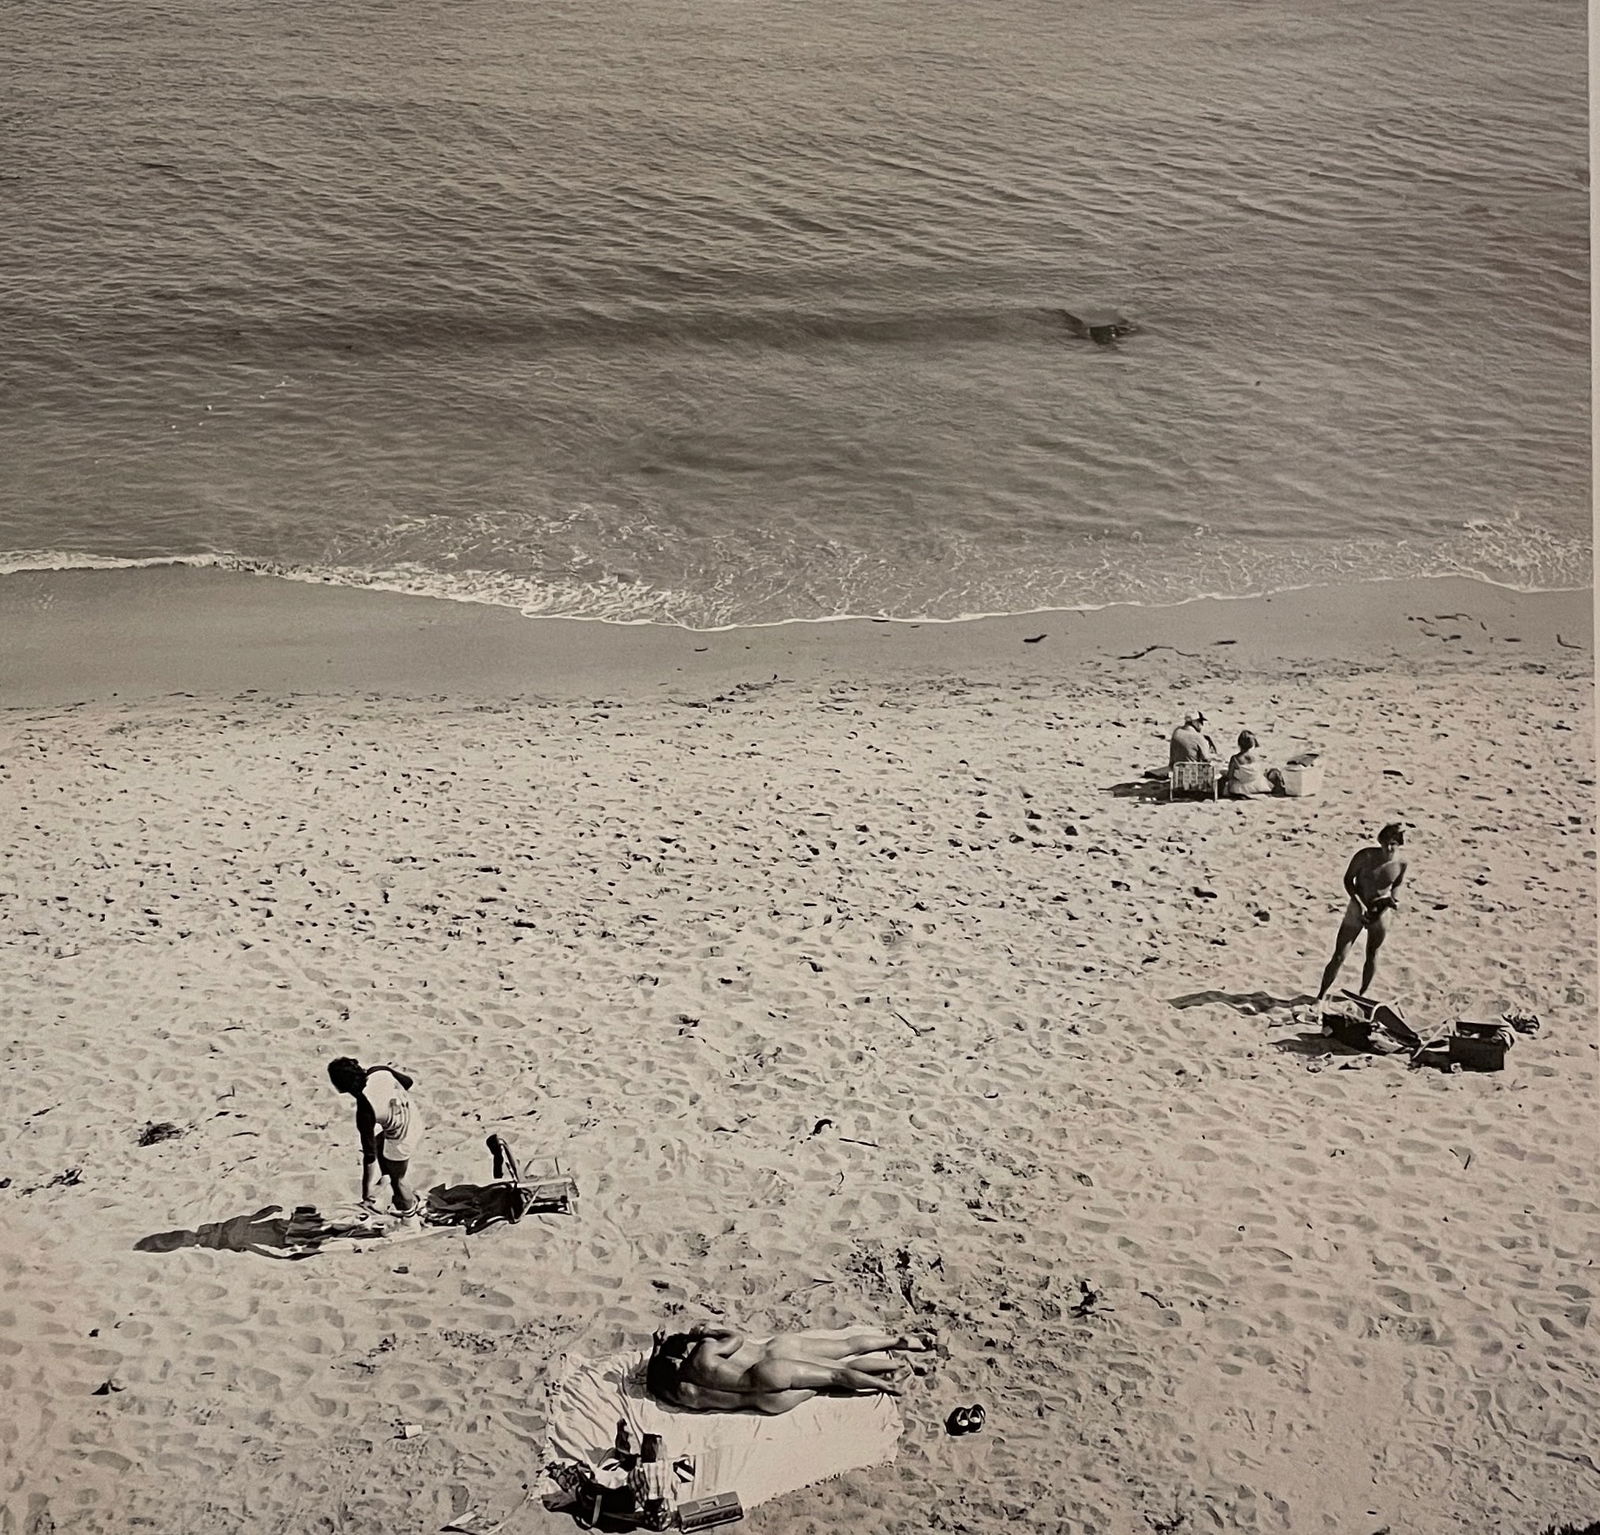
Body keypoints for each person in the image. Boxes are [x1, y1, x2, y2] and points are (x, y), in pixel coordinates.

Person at [645, 1324, 938, 1416]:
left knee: (832, 1380)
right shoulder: (703, 1351)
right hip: (772, 1363)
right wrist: (709, 1330)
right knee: (842, 1358)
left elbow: (654, 1381)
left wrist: (658, 1354)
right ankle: (895, 1361)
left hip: (768, 1402)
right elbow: (736, 1339)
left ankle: (892, 1371)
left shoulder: (681, 1392)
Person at [1316, 824, 1409, 1000]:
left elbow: (1397, 883)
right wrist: (1359, 904)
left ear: (1399, 844)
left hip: (1381, 911)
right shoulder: (1365, 856)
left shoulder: (1401, 863)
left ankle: (1362, 994)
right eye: (1385, 843)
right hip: (1357, 907)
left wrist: (1393, 900)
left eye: (1393, 844)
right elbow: (1348, 879)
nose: (1388, 848)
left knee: (1372, 953)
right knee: (1339, 955)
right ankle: (1320, 995)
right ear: (1379, 842)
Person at [326, 1057, 422, 1218]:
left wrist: (366, 1191)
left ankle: (410, 1219)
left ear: (340, 1087)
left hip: (402, 1136)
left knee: (398, 1179)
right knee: (379, 1142)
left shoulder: (365, 1111)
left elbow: (369, 1157)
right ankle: (387, 1180)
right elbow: (408, 1082)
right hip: (413, 1116)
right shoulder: (380, 1071)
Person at [1225, 731, 1286, 798]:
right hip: (1258, 785)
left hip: (1241, 787)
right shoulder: (1256, 757)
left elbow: (1229, 776)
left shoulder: (1235, 758)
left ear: (1239, 744)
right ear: (1253, 745)